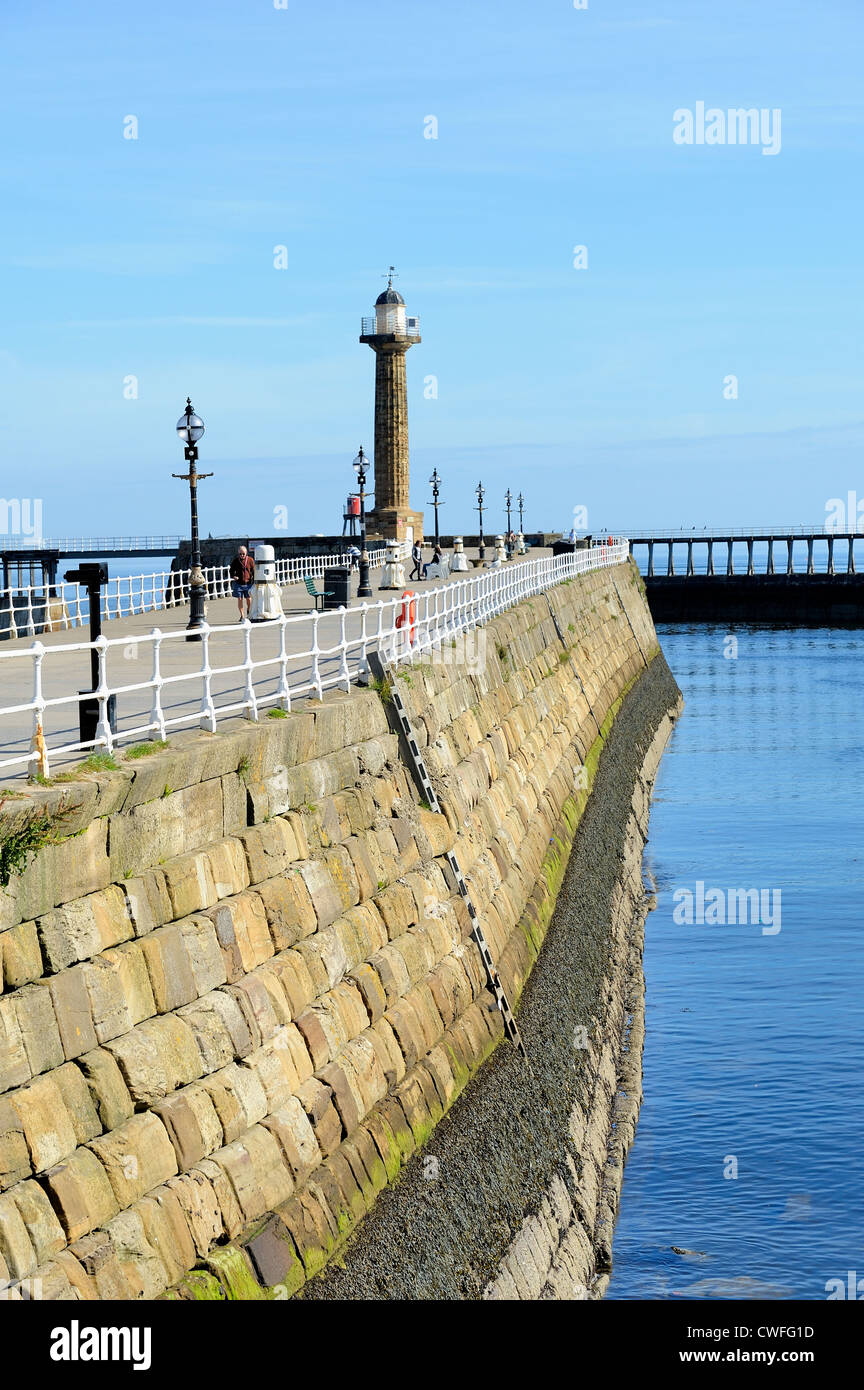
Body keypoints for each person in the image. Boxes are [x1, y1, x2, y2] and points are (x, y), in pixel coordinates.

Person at [229, 544, 254, 621]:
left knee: (249, 600)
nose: (242, 555)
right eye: (240, 554)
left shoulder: (250, 560)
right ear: (238, 553)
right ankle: (242, 615)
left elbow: (254, 570)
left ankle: (249, 611)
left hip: (248, 583)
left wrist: (254, 580)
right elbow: (231, 571)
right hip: (239, 584)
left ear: (246, 553)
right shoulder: (235, 561)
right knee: (239, 599)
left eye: (243, 554)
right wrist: (234, 576)